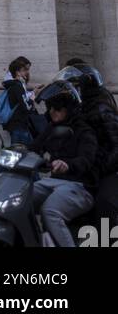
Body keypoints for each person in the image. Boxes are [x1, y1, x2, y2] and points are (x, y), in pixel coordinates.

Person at [31, 83, 98, 247]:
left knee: (50, 211)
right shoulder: (52, 127)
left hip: (80, 185)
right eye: (51, 108)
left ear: (68, 110)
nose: (52, 112)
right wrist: (9, 152)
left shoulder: (84, 130)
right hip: (54, 181)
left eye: (57, 109)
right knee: (21, 199)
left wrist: (67, 164)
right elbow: (34, 147)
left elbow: (87, 159)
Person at [57, 64, 118, 226]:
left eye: (74, 87)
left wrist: (98, 169)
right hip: (92, 168)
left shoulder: (101, 109)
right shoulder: (84, 108)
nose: (71, 92)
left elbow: (116, 145)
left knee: (105, 205)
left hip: (109, 171)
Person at [1, 56, 42, 147]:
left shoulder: (14, 85)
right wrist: (33, 97)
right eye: (24, 70)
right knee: (22, 153)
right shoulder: (17, 86)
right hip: (19, 124)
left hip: (17, 124)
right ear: (17, 72)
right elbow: (26, 107)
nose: (27, 72)